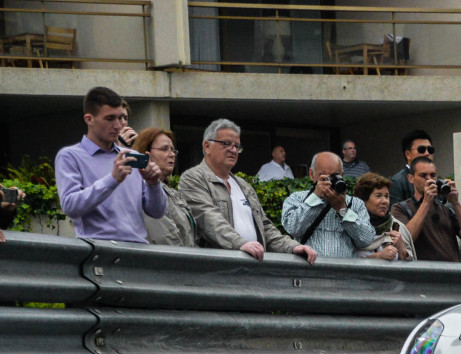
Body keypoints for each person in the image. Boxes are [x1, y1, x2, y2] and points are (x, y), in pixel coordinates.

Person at [178, 118, 317, 263]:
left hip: (251, 268)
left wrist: (292, 247)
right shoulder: (193, 179)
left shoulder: (243, 185)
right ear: (207, 147)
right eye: (226, 143)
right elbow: (209, 220)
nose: (233, 150)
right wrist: (240, 244)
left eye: (237, 146)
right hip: (216, 269)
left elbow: (265, 227)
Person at [54, 86, 166, 243]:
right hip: (98, 248)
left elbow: (157, 212)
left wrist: (153, 184)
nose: (118, 125)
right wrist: (113, 179)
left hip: (138, 249)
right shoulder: (70, 156)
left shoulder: (131, 156)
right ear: (89, 119)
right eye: (109, 118)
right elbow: (70, 206)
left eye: (121, 118)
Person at [391, 155, 461, 262]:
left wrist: (456, 203)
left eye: (433, 175)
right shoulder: (401, 208)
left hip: (453, 269)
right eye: (423, 175)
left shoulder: (446, 207)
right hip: (423, 270)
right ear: (411, 178)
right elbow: (406, 240)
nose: (430, 179)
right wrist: (426, 202)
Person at [280, 152, 377, 258]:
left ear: (342, 175)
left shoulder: (356, 203)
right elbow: (292, 228)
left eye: (335, 176)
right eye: (324, 176)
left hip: (343, 267)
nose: (330, 181)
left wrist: (342, 209)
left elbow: (366, 240)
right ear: (312, 174)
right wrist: (315, 198)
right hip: (309, 267)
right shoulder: (297, 198)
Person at [133, 127, 198, 247]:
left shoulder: (172, 193)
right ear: (147, 154)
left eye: (173, 150)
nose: (172, 154)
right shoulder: (145, 190)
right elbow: (165, 238)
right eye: (164, 149)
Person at [354, 172, 411, 261]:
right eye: (378, 196)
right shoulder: (353, 226)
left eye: (387, 196)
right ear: (364, 200)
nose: (384, 201)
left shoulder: (397, 226)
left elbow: (412, 264)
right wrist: (378, 256)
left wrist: (402, 250)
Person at [389, 129, 434, 204]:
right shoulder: (396, 183)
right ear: (408, 154)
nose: (427, 153)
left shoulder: (437, 181)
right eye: (421, 149)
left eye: (430, 149)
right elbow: (394, 211)